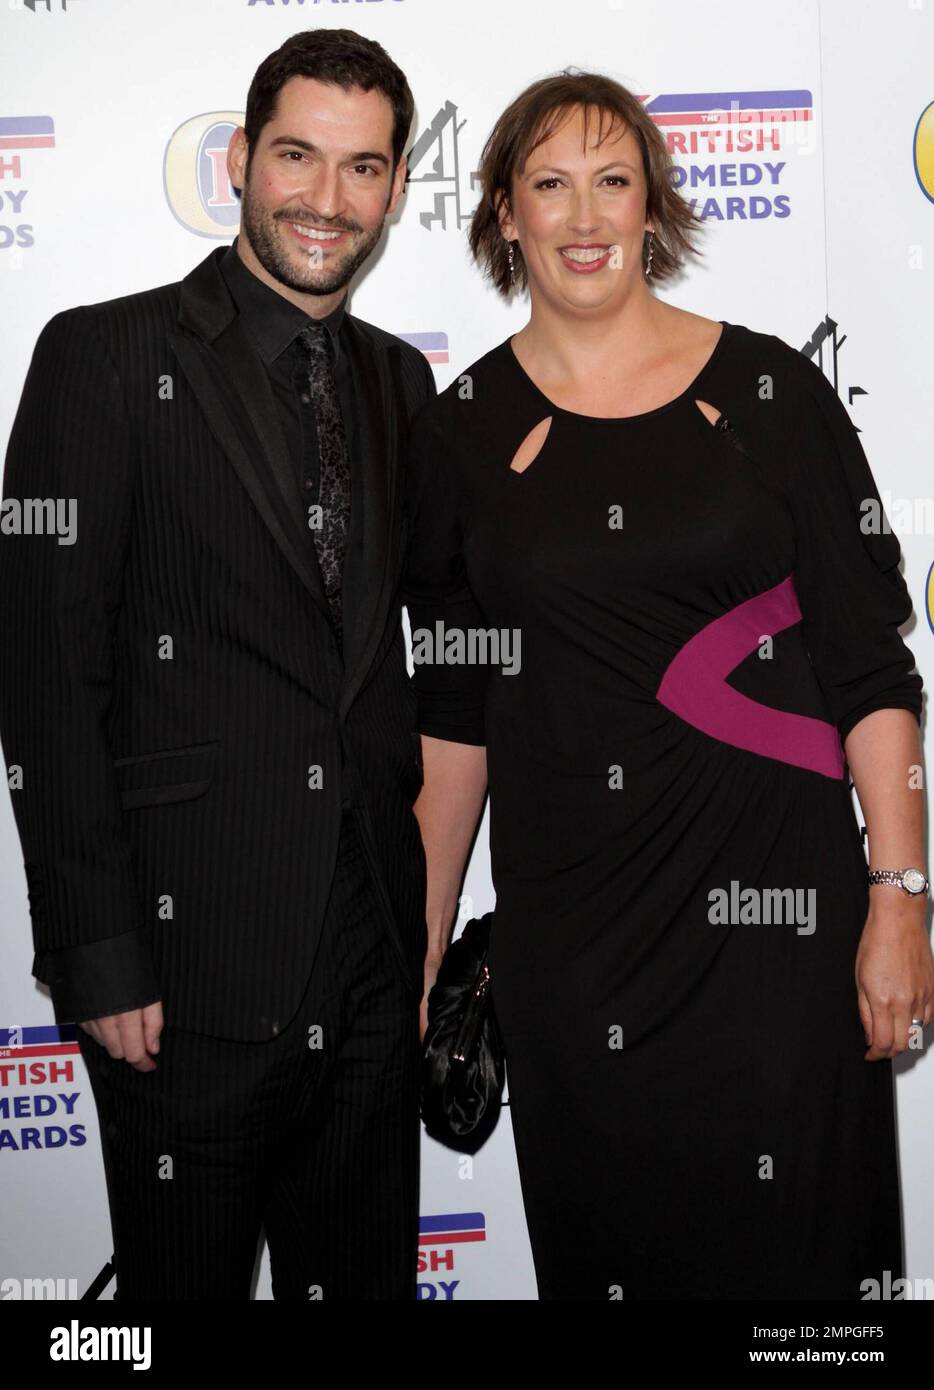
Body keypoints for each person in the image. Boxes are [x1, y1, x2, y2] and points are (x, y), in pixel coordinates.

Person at [404, 70, 932, 1300]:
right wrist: (419, 953)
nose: (582, 217)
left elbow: (868, 668)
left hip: (782, 934)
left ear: (653, 207)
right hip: (577, 946)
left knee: (808, 1282)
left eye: (611, 181)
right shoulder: (460, 429)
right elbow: (452, 717)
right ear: (501, 216)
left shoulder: (768, 394)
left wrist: (898, 895)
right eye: (548, 184)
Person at [0, 28, 434, 1300]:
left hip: (365, 962)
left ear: (397, 189)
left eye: (362, 169)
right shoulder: (105, 357)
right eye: (298, 156)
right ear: (243, 160)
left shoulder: (403, 384)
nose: (326, 198)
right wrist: (96, 947)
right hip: (182, 973)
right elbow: (42, 674)